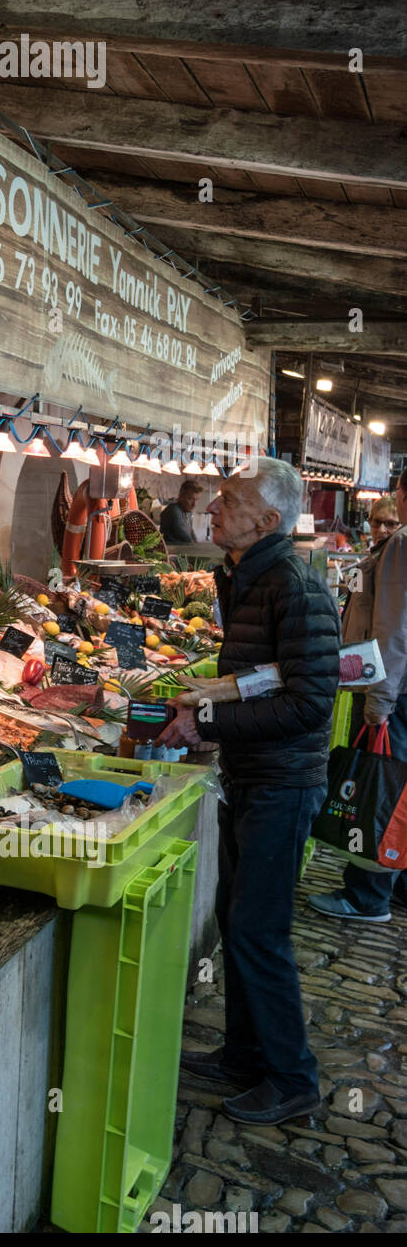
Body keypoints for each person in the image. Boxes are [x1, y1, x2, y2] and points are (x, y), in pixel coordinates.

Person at [158, 458, 339, 1127]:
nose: (211, 507)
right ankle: (242, 1052)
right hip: (250, 775)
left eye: (227, 500)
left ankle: (293, 1079)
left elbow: (310, 703)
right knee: (239, 922)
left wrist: (204, 719)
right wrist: (211, 702)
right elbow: (261, 676)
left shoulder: (295, 586)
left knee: (260, 932)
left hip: (282, 784)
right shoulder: (246, 577)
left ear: (267, 520)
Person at [308, 478, 407, 921]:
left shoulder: (403, 545)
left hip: (395, 690)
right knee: (398, 789)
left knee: (379, 786)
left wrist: (379, 703)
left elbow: (394, 629)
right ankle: (396, 880)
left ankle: (366, 895)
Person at [159, 479, 204, 545]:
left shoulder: (187, 512)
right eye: (190, 499)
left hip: (182, 552)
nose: (194, 504)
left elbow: (191, 532)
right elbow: (186, 537)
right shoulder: (173, 511)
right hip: (171, 553)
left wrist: (197, 544)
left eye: (196, 500)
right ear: (181, 496)